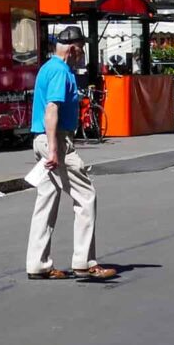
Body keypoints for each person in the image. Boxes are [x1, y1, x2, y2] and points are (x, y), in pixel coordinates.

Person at [24, 27, 115, 282]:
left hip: (42, 139)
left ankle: (38, 264)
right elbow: (51, 110)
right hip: (56, 140)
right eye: (81, 49)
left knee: (47, 198)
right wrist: (55, 149)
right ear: (72, 48)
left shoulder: (48, 67)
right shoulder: (60, 72)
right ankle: (85, 262)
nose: (82, 54)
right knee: (86, 195)